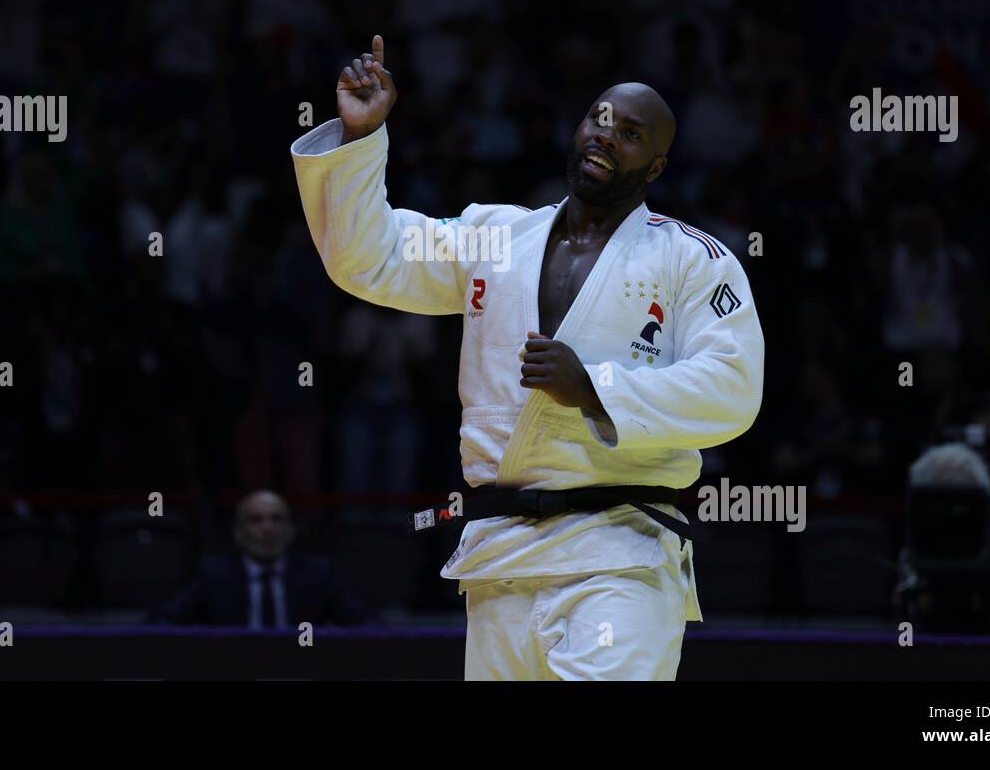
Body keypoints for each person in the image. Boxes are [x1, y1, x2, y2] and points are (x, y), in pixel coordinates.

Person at [291, 36, 765, 680]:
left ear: (655, 167)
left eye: (629, 133)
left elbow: (734, 388)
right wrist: (361, 136)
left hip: (619, 551)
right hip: (501, 556)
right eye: (598, 120)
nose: (605, 136)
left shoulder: (691, 259)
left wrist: (595, 388)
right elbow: (368, 260)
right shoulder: (496, 235)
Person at [151, 490, 368, 628]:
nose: (268, 529)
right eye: (255, 520)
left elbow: (368, 626)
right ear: (238, 532)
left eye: (277, 519)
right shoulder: (215, 575)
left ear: (291, 530)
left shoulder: (315, 574)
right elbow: (162, 624)